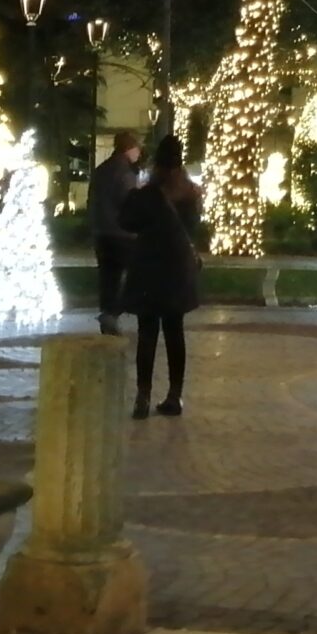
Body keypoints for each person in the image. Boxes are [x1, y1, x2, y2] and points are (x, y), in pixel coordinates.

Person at [118, 132, 204, 419]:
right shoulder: (191, 193)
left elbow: (126, 221)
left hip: (150, 269)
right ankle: (174, 396)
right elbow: (193, 230)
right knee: (175, 332)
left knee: (147, 333)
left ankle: (142, 397)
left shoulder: (149, 193)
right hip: (178, 270)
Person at [89, 131, 142, 337]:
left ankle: (108, 315)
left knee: (108, 277)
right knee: (136, 275)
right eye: (137, 148)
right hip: (122, 234)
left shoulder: (102, 170)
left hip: (102, 232)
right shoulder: (125, 173)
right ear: (129, 148)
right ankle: (114, 312)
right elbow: (130, 203)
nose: (139, 153)